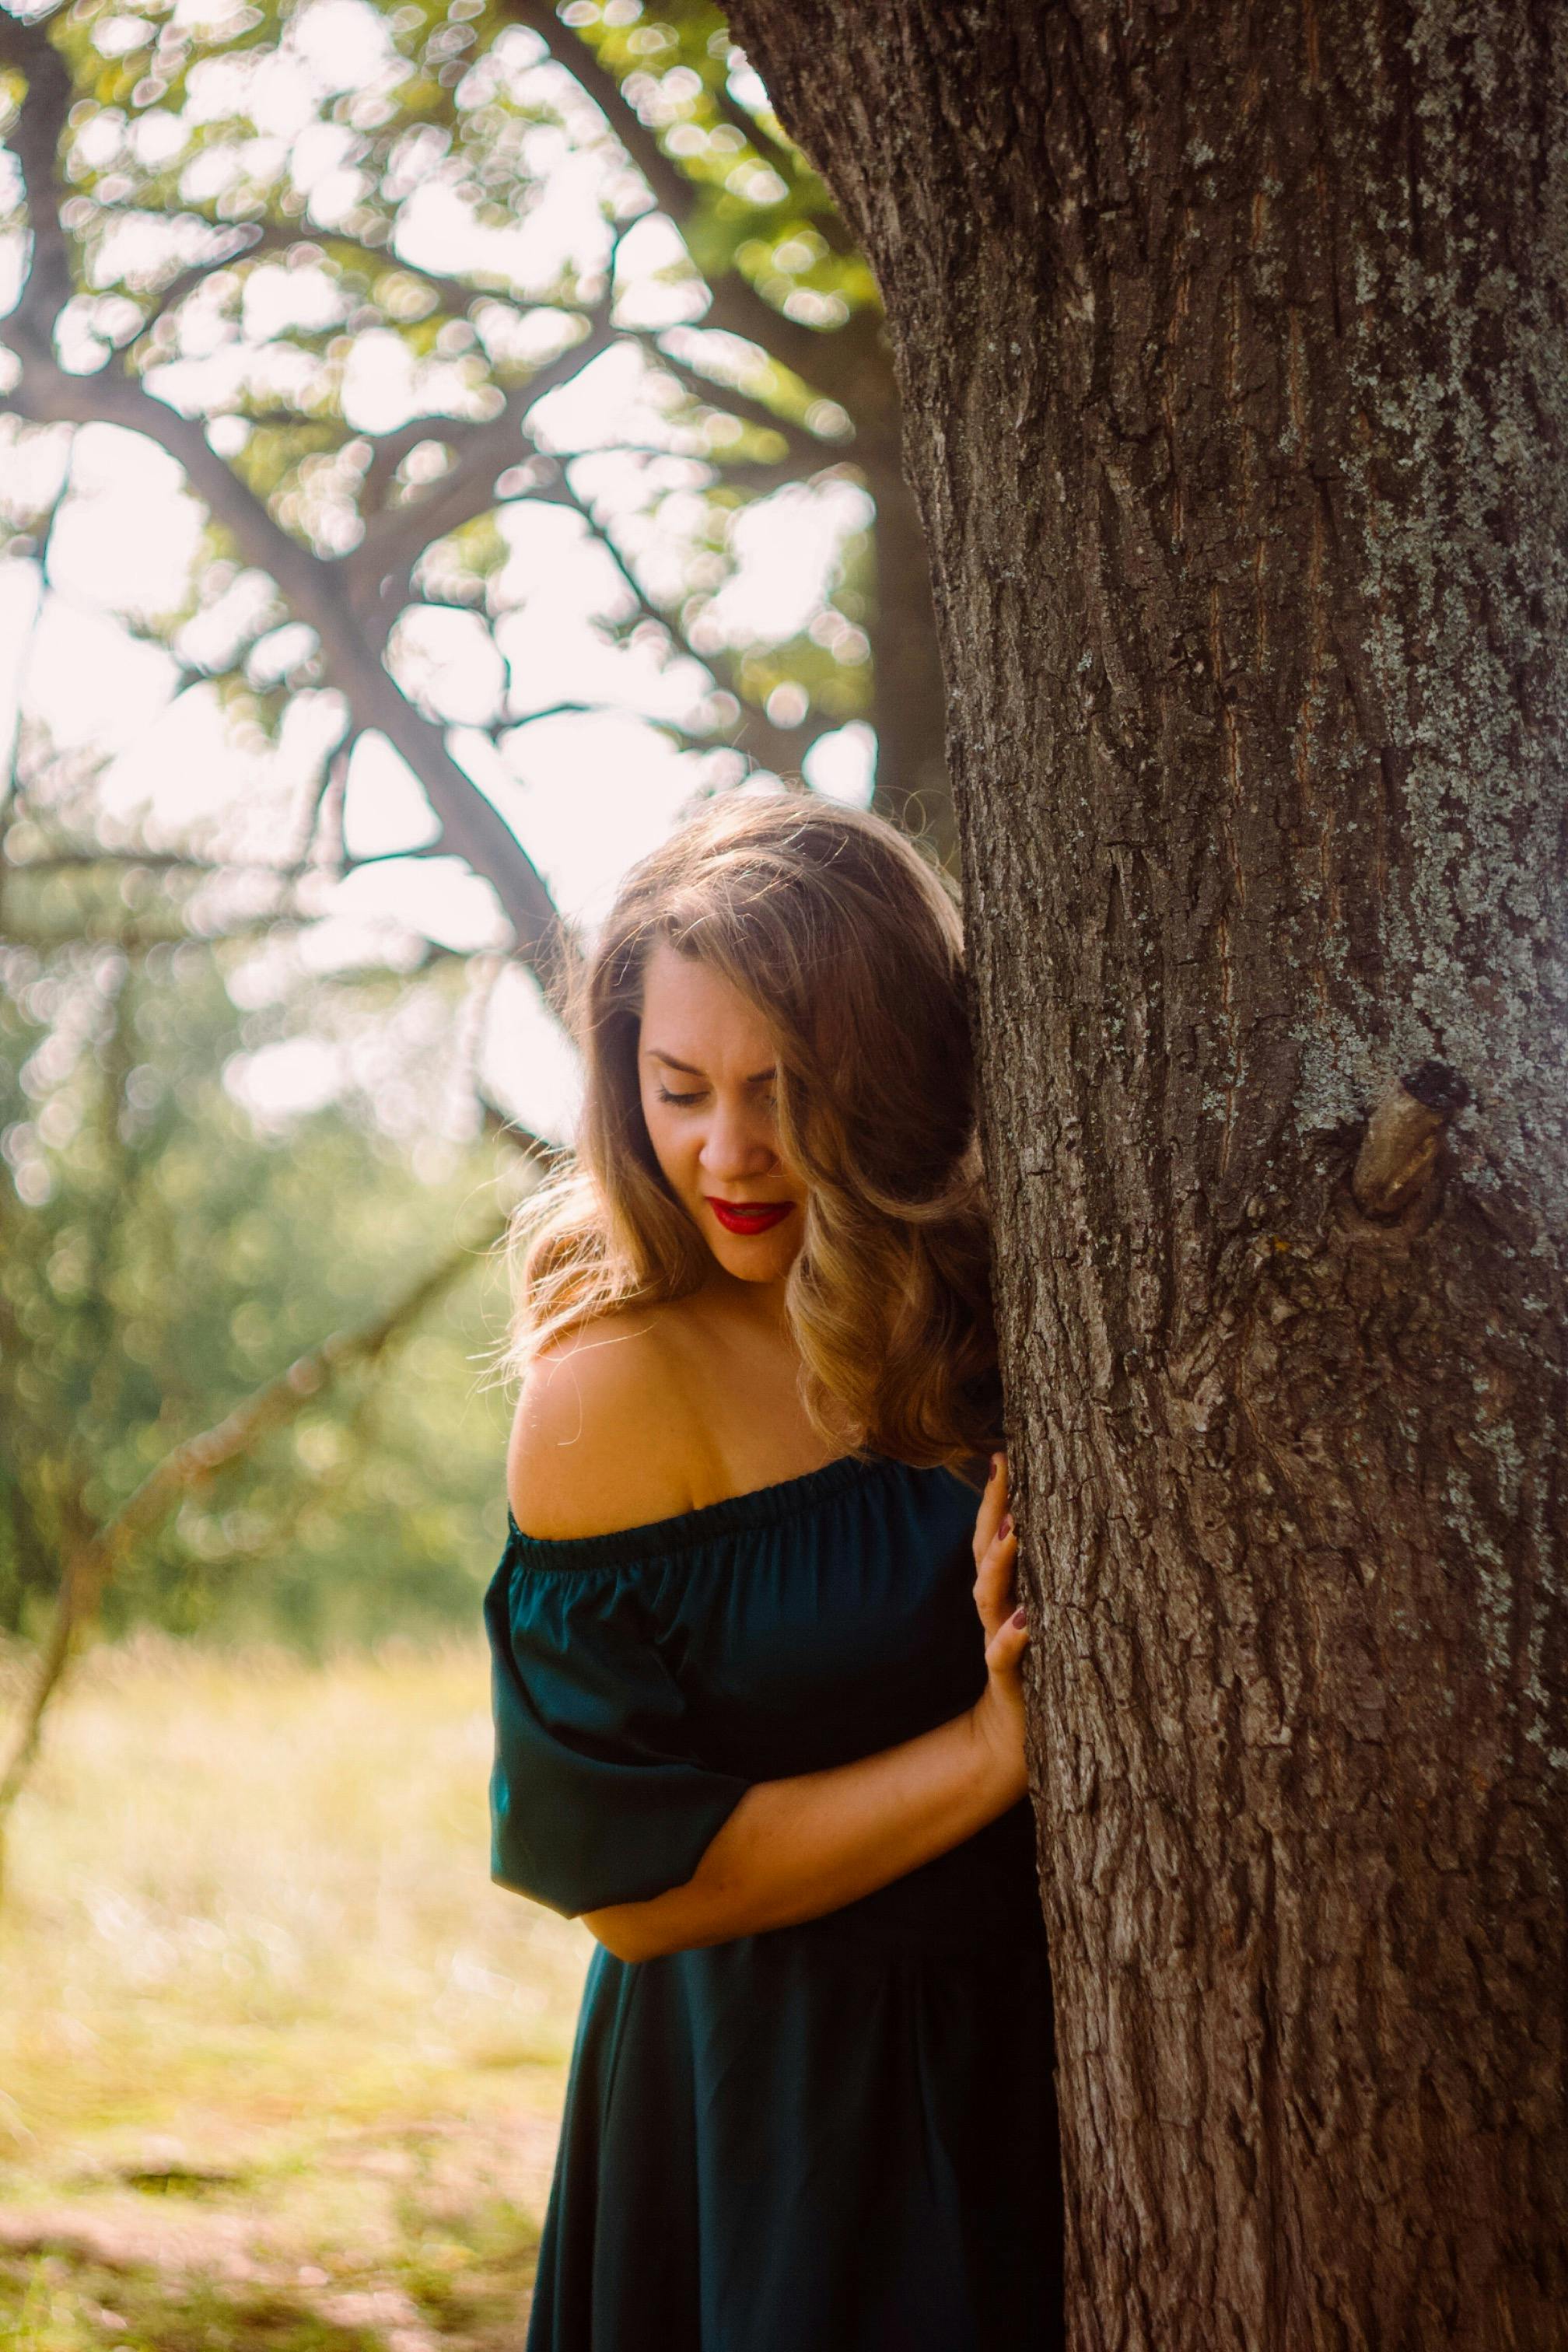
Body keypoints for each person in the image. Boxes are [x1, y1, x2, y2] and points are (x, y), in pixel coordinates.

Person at [484, 791, 1065, 2351]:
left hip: (1054, 2055)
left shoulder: (1022, 1292)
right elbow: (631, 1888)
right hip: (769, 2119)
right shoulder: (611, 1390)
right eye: (678, 1091)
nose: (726, 1153)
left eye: (785, 1091)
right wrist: (987, 1754)